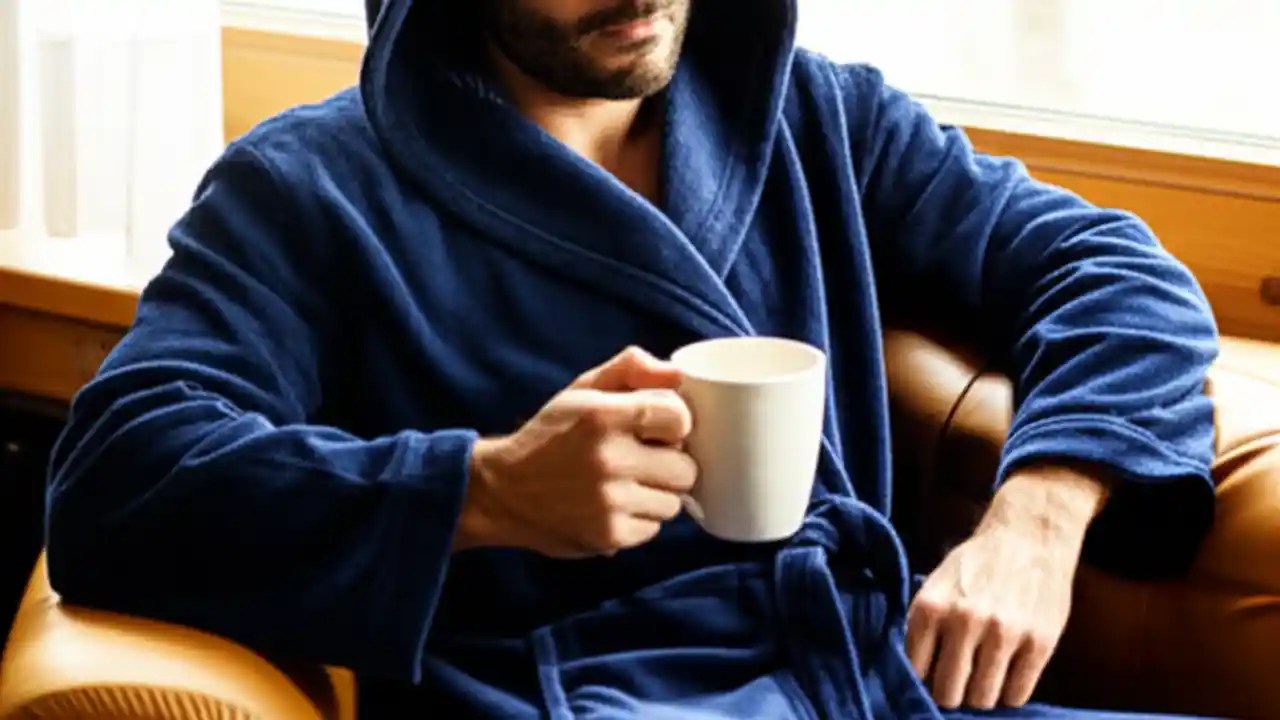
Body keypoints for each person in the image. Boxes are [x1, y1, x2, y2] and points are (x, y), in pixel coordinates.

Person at [44, 1, 1221, 718]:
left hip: (869, 679)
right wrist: (483, 490)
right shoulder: (308, 190)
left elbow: (1113, 268)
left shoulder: (812, 115)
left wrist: (1034, 522)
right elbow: (120, 470)